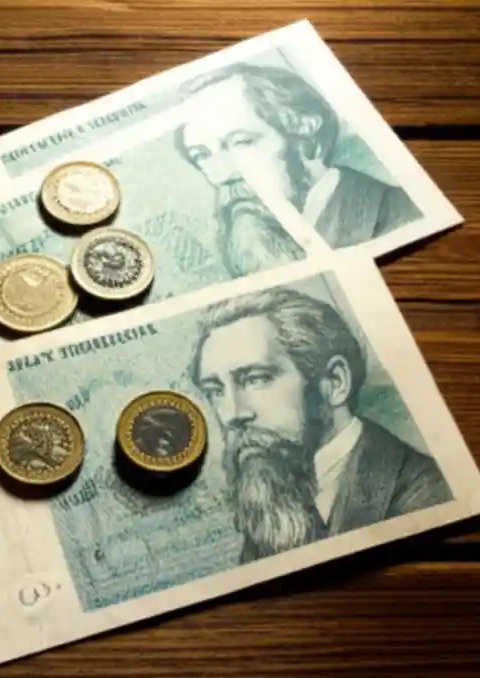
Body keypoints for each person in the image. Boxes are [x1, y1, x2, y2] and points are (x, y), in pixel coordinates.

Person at [191, 287, 450, 562]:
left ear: (336, 383)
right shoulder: (270, 498)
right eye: (215, 391)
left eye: (256, 379)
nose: (232, 413)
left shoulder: (429, 495)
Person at [177, 63, 421, 261]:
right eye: (201, 155)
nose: (222, 175)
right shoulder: (256, 249)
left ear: (306, 133)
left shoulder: (401, 216)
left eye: (242, 142)